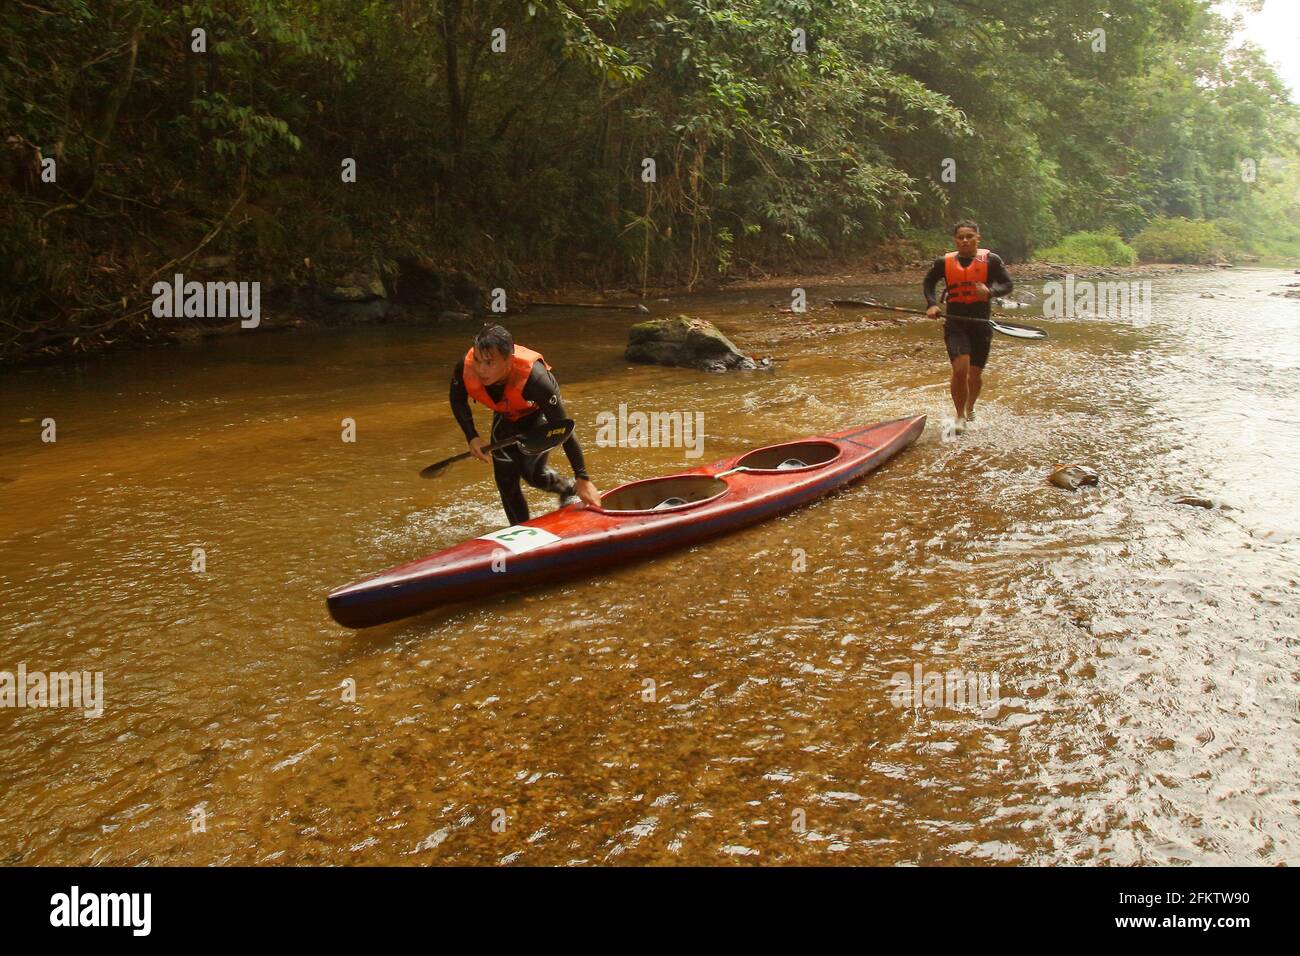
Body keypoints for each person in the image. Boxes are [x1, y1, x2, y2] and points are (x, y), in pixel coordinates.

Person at [449, 324, 601, 524]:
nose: (481, 369)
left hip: (538, 416)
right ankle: (519, 531)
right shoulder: (465, 367)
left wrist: (583, 478)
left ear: (509, 360)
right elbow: (457, 399)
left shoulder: (536, 381)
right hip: (507, 414)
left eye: (489, 362)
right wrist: (472, 437)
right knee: (505, 478)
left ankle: (567, 487)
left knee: (532, 475)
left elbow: (564, 429)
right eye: (477, 360)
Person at [923, 220, 1014, 434]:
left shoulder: (992, 261)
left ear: (977, 238)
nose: (965, 240)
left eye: (969, 236)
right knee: (960, 369)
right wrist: (932, 304)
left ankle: (970, 407)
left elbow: (1008, 284)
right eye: (961, 237)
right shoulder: (942, 263)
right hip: (955, 322)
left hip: (981, 324)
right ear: (956, 240)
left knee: (975, 374)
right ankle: (960, 416)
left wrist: (991, 292)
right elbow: (928, 283)